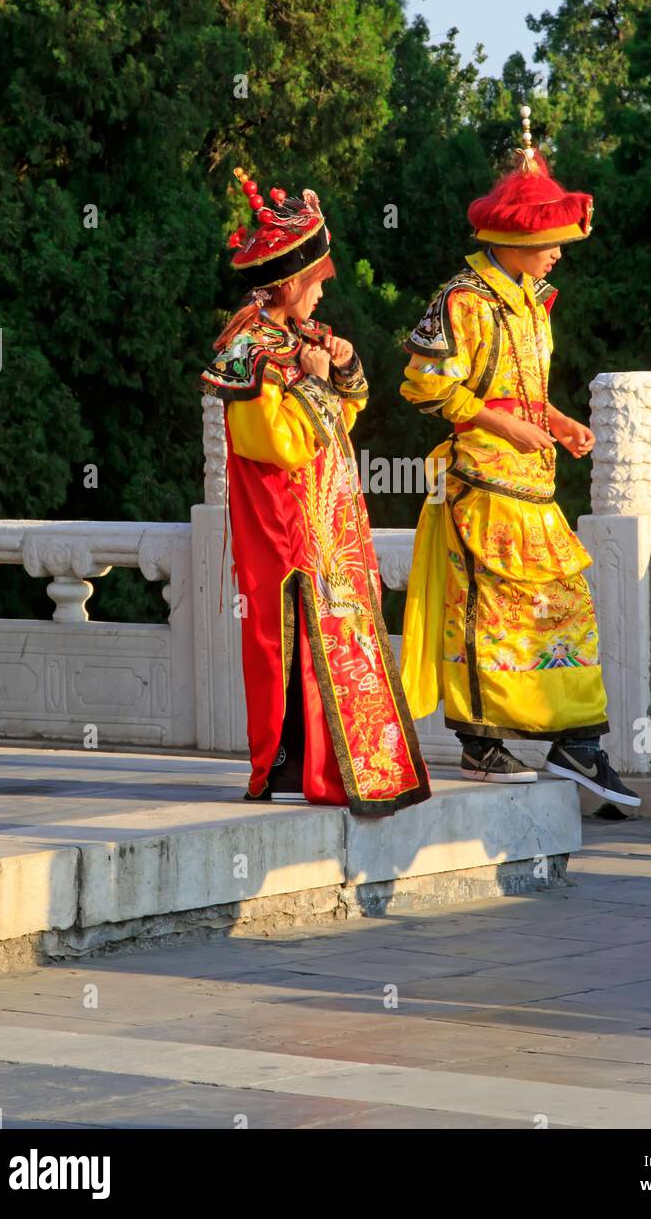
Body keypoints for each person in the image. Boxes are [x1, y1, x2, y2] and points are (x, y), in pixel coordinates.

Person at [398, 110, 640, 810]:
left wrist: (557, 420)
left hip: (533, 484)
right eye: (553, 240)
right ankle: (480, 741)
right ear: (513, 237)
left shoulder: (534, 303)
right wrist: (501, 422)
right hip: (481, 484)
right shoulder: (461, 300)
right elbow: (424, 384)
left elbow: (519, 386)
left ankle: (578, 742)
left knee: (562, 610)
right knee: (489, 613)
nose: (561, 250)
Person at [201, 170, 430, 817]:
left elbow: (340, 421)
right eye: (320, 277)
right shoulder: (248, 348)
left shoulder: (298, 340)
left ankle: (339, 760)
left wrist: (343, 372)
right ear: (293, 280)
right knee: (287, 638)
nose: (325, 286)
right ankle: (286, 759)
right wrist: (323, 387)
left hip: (325, 522)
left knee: (330, 633)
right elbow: (270, 441)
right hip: (284, 528)